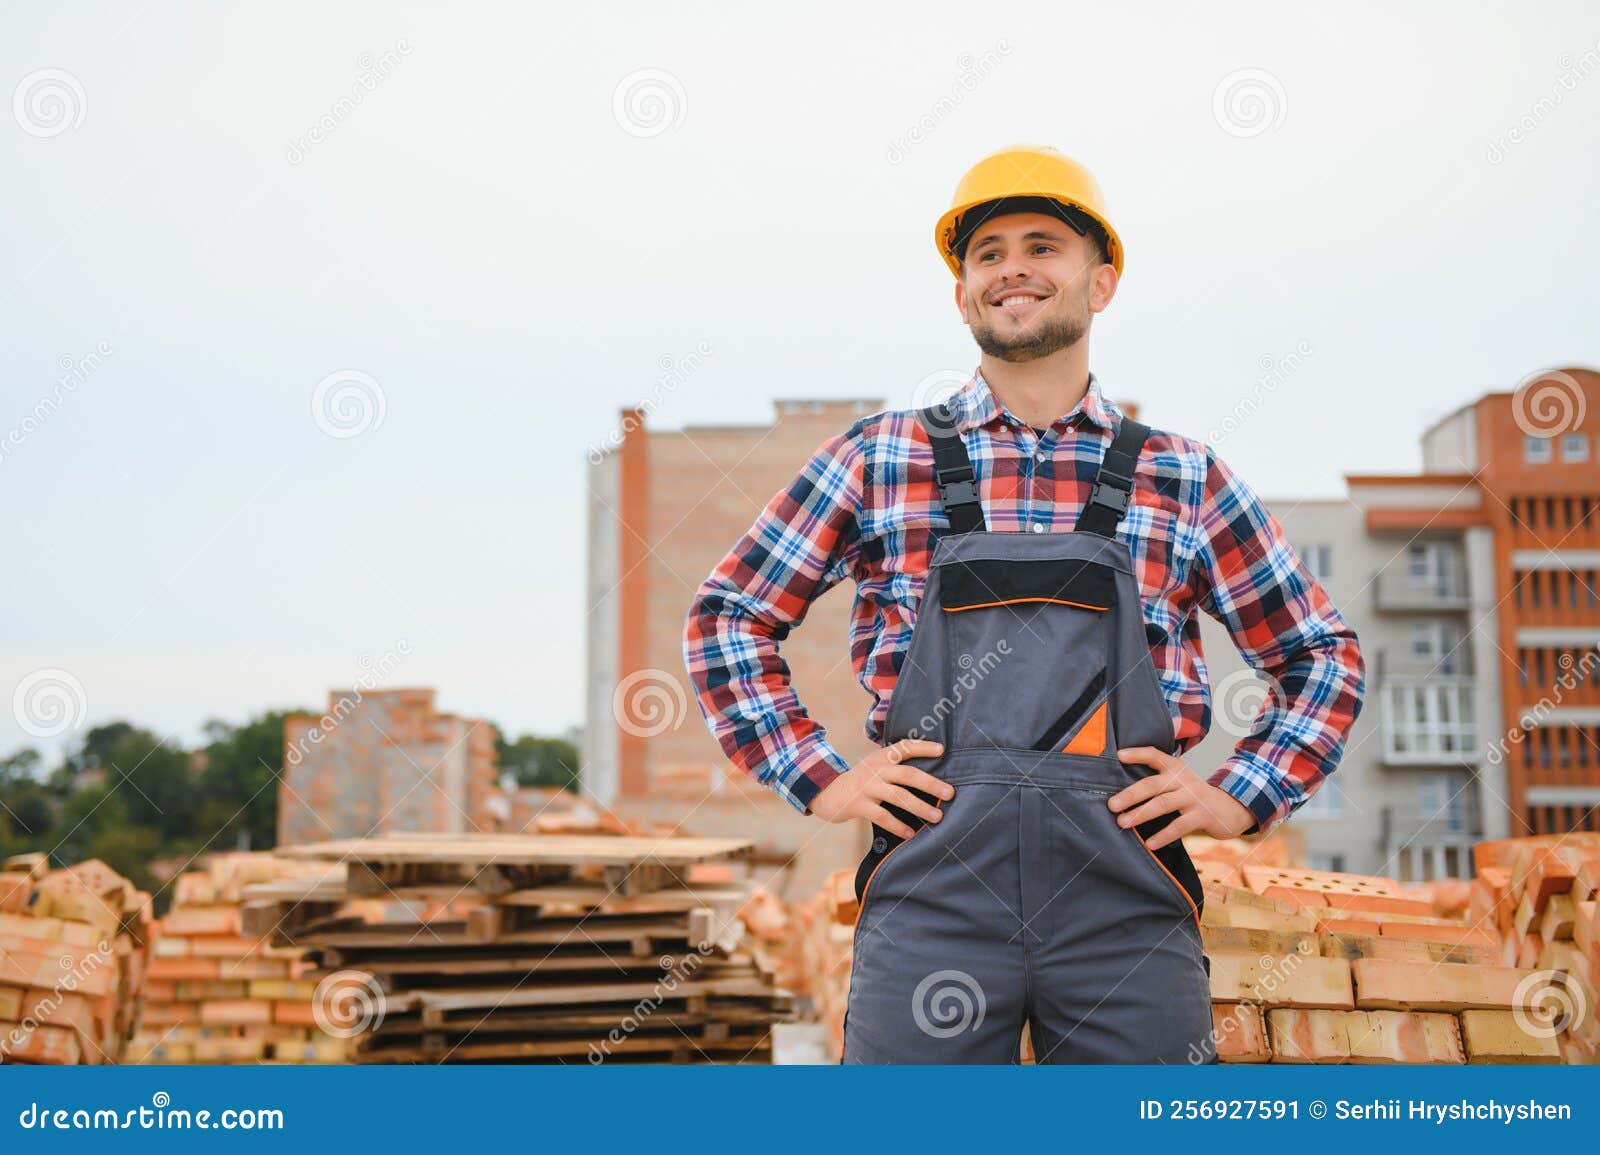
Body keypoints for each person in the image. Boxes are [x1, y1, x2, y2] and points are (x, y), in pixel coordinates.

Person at [682, 145, 1365, 1063]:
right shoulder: (882, 459)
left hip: (1126, 904)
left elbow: (1320, 656)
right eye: (987, 252)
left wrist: (1240, 795)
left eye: (1043, 245)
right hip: (934, 904)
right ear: (964, 290)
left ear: (1102, 280)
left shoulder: (1182, 475)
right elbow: (730, 613)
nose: (1012, 268)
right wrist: (823, 776)